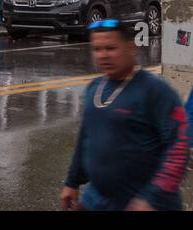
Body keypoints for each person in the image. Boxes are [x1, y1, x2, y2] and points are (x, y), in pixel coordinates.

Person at [60, 19, 188, 211]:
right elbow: (86, 139)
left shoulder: (155, 91)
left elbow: (179, 148)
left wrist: (151, 198)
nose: (103, 56)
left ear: (131, 47)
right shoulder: (94, 88)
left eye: (111, 48)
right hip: (98, 202)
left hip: (149, 205)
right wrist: (72, 182)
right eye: (97, 49)